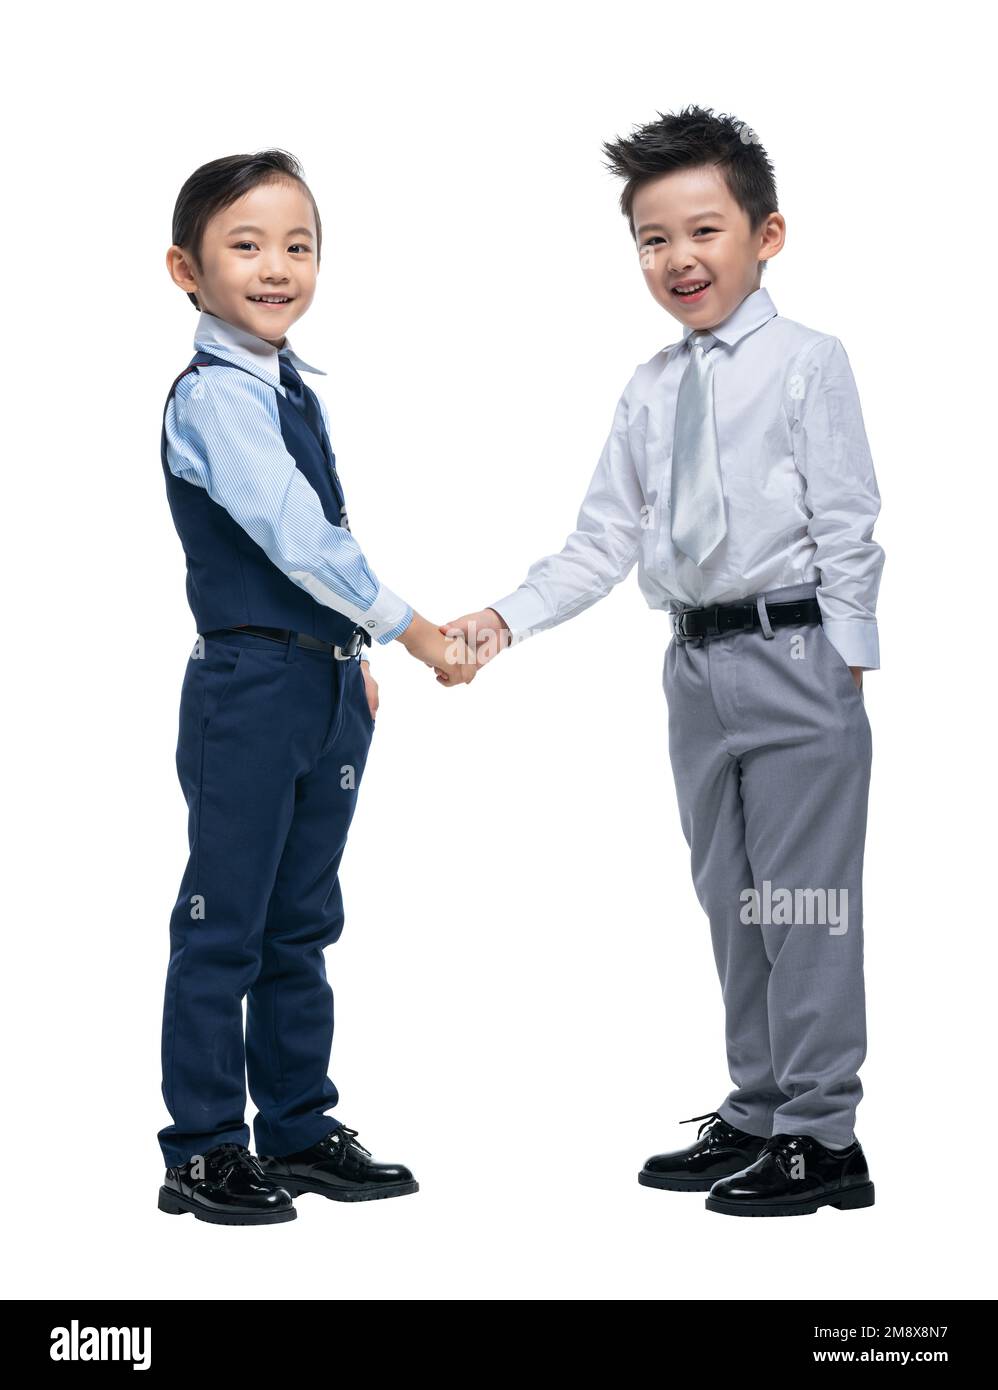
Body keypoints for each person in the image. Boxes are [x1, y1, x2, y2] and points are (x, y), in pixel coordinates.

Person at [440, 106, 884, 1217]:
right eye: (650, 239)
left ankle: (823, 1136)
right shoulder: (647, 388)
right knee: (732, 899)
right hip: (692, 669)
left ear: (764, 233)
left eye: (703, 230)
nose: (677, 259)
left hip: (792, 657)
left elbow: (848, 515)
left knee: (805, 903)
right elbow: (601, 539)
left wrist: (847, 656)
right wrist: (501, 619)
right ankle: (759, 1107)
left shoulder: (805, 362)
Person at [157, 149, 475, 1225]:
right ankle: (202, 1146)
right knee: (224, 923)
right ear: (185, 270)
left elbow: (321, 536)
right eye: (245, 245)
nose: (277, 265)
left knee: (301, 921)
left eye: (299, 244)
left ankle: (294, 1127)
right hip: (247, 690)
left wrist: (354, 653)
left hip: (320, 684)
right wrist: (415, 629)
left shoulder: (293, 386)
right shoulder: (214, 398)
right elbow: (290, 536)